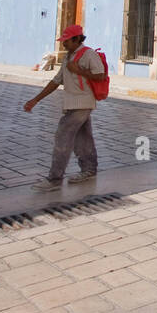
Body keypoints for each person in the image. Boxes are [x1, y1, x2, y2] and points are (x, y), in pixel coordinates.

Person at [23, 24, 105, 191]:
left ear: (76, 39)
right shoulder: (68, 57)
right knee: (83, 137)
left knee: (63, 136)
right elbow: (56, 81)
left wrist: (79, 71)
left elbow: (100, 75)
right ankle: (89, 169)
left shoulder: (89, 54)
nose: (63, 44)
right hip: (72, 103)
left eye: (66, 41)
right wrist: (35, 99)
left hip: (83, 103)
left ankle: (54, 179)